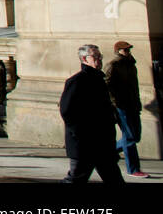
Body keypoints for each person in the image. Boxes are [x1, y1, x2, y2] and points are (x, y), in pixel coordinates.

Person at [59, 44, 124, 184]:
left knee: (114, 178)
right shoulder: (77, 81)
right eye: (95, 57)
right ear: (84, 59)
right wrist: (80, 134)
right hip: (85, 144)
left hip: (102, 143)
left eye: (100, 57)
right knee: (76, 179)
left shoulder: (99, 79)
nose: (99, 60)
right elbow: (67, 111)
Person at [106, 40, 149, 178]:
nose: (127, 51)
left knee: (135, 136)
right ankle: (133, 169)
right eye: (125, 50)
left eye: (128, 49)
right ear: (118, 51)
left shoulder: (131, 64)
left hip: (133, 104)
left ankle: (107, 152)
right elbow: (106, 84)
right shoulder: (114, 65)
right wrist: (115, 102)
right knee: (130, 137)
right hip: (121, 106)